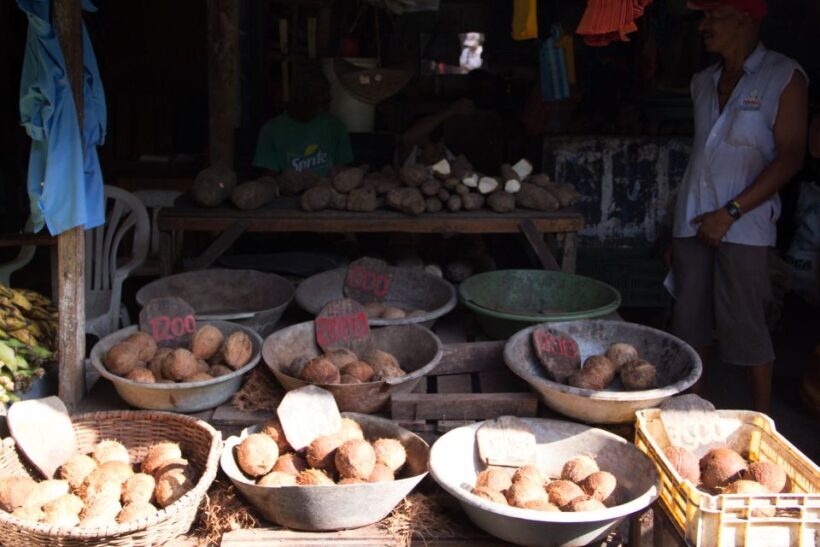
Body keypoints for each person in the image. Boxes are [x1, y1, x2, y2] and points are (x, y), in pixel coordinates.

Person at [671, 0, 808, 413]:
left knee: (746, 325)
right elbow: (701, 157)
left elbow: (790, 157)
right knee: (690, 324)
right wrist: (672, 227)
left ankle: (763, 420)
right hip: (693, 220)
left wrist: (729, 213)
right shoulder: (702, 82)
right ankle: (690, 415)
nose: (703, 26)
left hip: (744, 224)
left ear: (743, 19)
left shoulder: (783, 76)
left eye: (712, 16)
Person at [254, 61, 353, 177]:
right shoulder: (271, 131)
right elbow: (268, 181)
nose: (328, 97)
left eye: (325, 90)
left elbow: (345, 177)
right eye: (317, 89)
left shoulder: (336, 128)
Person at [397, 98, 475, 167]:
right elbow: (408, 137)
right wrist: (452, 110)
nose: (419, 132)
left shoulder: (452, 160)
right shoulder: (410, 152)